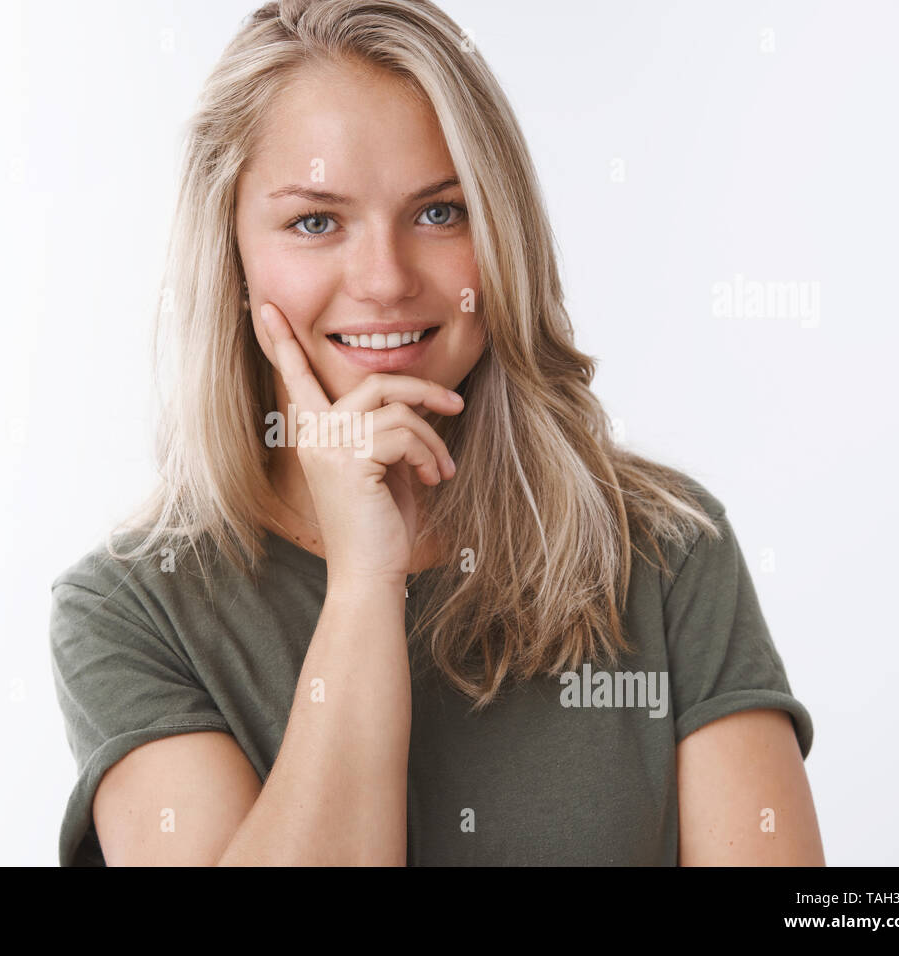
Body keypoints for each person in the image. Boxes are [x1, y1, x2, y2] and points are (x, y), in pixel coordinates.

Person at [49, 0, 825, 866]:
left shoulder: (668, 553)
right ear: (229, 256)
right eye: (316, 222)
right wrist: (362, 584)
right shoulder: (132, 610)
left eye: (439, 213)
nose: (384, 281)